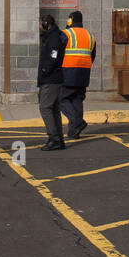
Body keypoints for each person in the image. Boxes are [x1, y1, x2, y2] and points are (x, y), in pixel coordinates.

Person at [59, 10, 96, 140]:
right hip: (84, 73)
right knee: (77, 99)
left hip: (68, 71)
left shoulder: (66, 34)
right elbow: (93, 56)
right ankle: (74, 131)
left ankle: (77, 122)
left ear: (70, 20)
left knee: (61, 99)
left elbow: (58, 53)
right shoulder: (90, 36)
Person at [37, 14, 67, 151]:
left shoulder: (53, 37)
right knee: (54, 109)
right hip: (52, 78)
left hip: (51, 79)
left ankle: (54, 138)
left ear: (45, 24)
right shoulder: (51, 36)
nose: (39, 26)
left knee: (45, 108)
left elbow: (53, 56)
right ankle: (58, 139)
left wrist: (45, 70)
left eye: (40, 23)